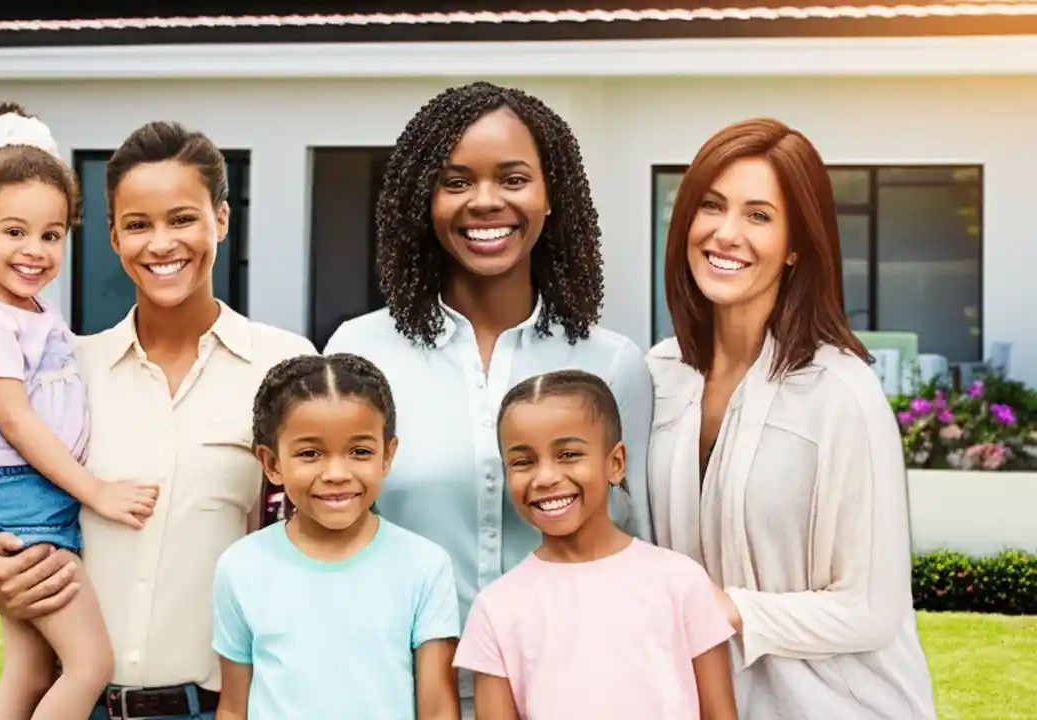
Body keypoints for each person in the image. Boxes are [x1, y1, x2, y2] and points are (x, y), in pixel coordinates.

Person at [0, 120, 316, 720]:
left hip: (218, 706)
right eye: (138, 225)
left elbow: (313, 544)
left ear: (221, 220)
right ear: (112, 235)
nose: (161, 244)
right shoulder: (66, 370)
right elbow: (6, 498)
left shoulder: (283, 365)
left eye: (182, 219)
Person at [324, 81, 654, 715]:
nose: (485, 202)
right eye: (455, 182)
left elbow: (640, 541)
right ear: (423, 201)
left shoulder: (611, 363)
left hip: (577, 692)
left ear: (551, 194)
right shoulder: (360, 352)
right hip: (395, 693)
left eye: (513, 179)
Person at [647, 117, 936, 718]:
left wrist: (726, 608)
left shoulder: (841, 394)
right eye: (712, 206)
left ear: (797, 245)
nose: (726, 234)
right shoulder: (657, 375)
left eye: (758, 215)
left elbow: (871, 607)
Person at [0, 102, 159, 719]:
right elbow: (16, 421)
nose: (35, 251)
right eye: (14, 231)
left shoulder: (32, 312)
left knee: (32, 669)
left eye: (51, 235)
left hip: (25, 496)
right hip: (16, 499)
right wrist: (98, 491)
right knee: (89, 665)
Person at [454, 369, 737, 719]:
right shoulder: (495, 609)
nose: (545, 478)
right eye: (523, 462)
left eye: (568, 454)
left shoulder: (680, 582)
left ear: (615, 463)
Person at [211, 354, 461, 719]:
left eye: (360, 452)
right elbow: (234, 708)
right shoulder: (241, 567)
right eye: (310, 454)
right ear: (272, 464)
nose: (337, 473)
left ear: (387, 455)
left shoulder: (424, 565)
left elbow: (438, 709)